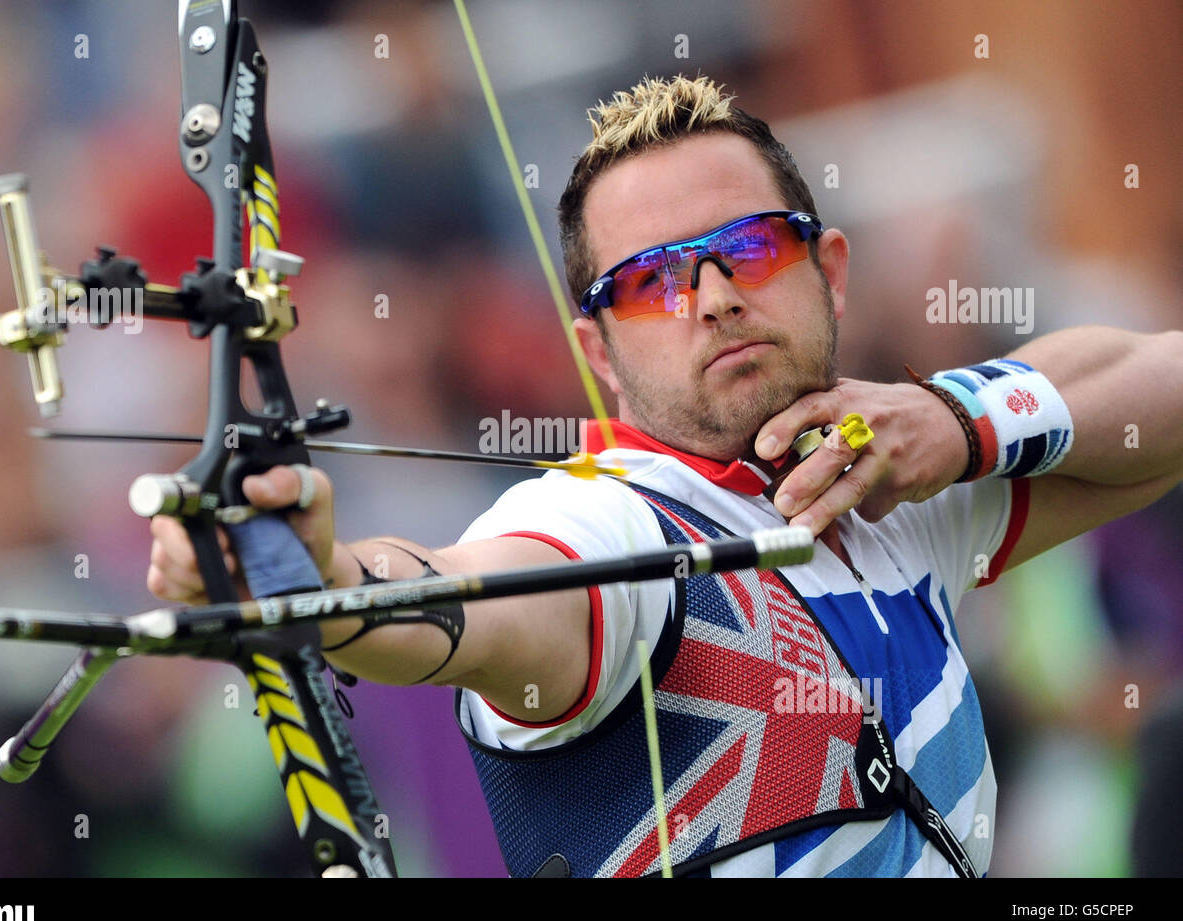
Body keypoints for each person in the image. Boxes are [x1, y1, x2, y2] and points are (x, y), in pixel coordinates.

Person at [146, 75, 1183, 877]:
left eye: (748, 246)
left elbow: (1159, 400)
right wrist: (315, 574)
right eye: (647, 283)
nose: (714, 296)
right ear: (597, 353)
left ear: (828, 271)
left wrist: (960, 419)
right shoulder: (603, 527)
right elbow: (469, 598)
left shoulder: (888, 495)